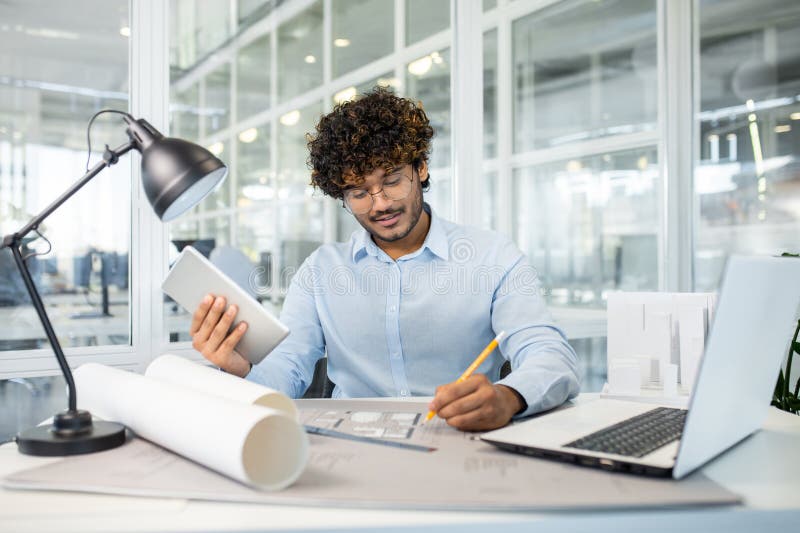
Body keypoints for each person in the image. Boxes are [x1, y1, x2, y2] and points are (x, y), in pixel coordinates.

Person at [190, 87, 580, 431]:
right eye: (359, 192)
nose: (380, 204)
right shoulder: (321, 271)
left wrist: (509, 397)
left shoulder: (493, 257)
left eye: (392, 180)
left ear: (421, 167)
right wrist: (241, 368)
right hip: (349, 445)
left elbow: (550, 355)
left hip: (458, 438)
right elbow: (287, 372)